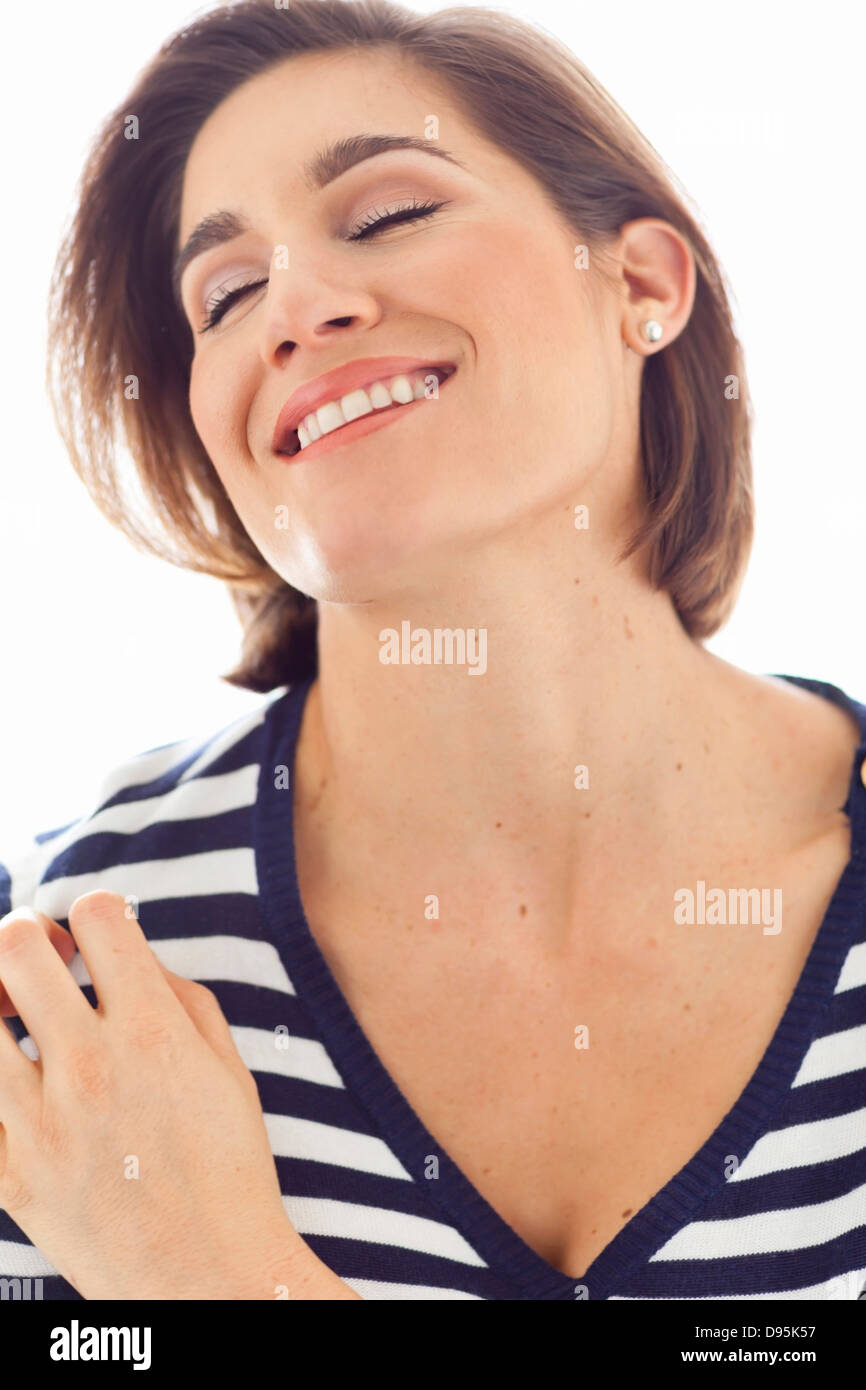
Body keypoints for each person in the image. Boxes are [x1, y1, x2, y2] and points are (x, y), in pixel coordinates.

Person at [1, 0, 864, 1301]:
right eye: (225, 295)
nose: (295, 308)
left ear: (638, 284)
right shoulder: (65, 973)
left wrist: (223, 1281)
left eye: (387, 213)